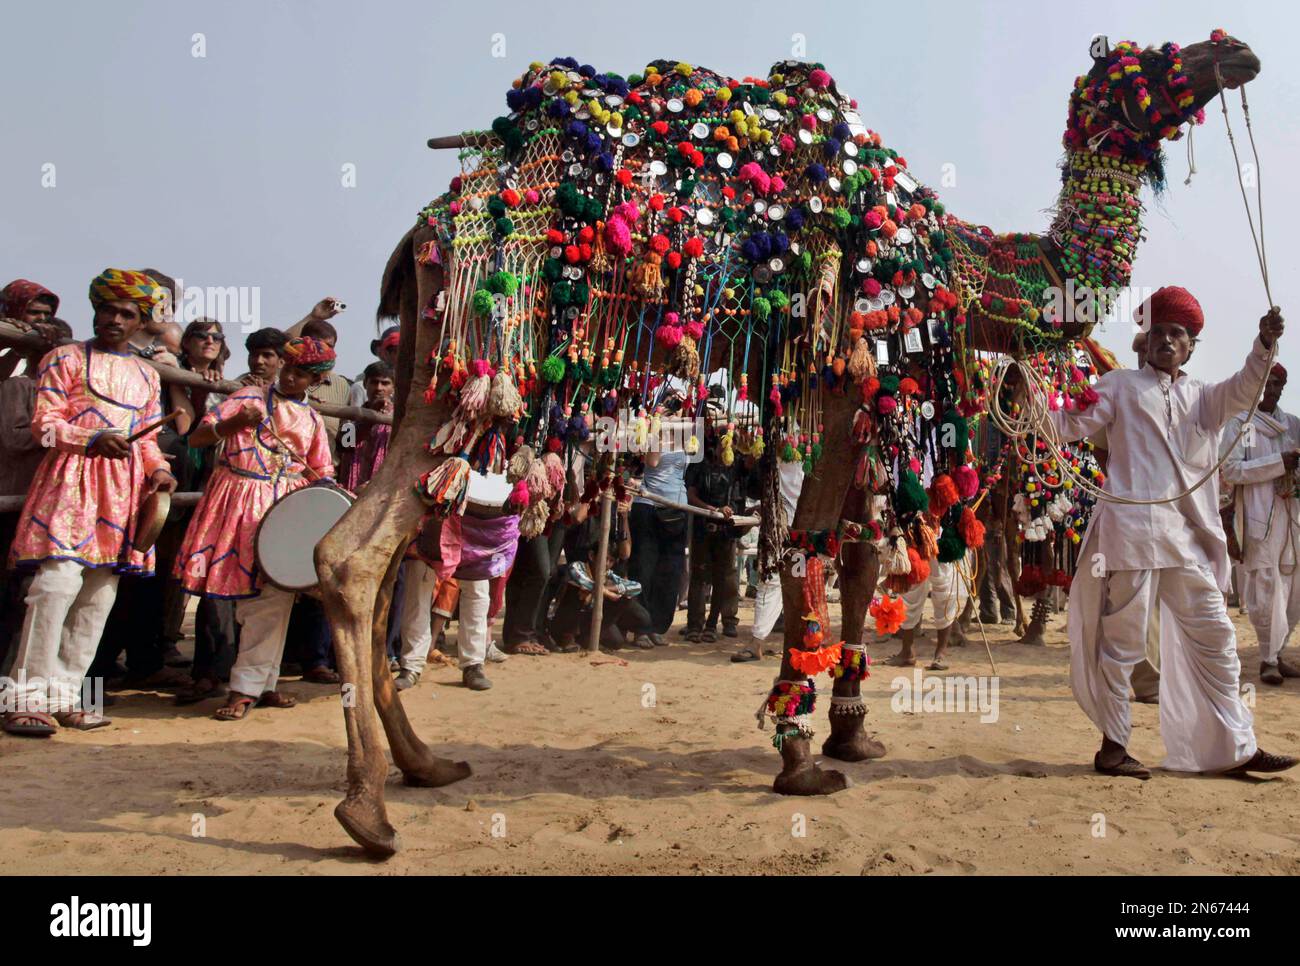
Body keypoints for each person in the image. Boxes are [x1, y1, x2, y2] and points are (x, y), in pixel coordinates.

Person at [1029, 287, 1295, 778]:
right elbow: (1067, 424)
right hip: (1130, 533)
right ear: (1145, 341)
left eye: (1178, 334)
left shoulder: (1205, 397)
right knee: (1123, 644)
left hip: (1187, 538)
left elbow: (1245, 388)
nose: (1167, 340)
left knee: (1217, 636)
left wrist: (1263, 345)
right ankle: (1113, 746)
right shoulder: (1120, 385)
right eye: (1158, 333)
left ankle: (1234, 747)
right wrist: (1026, 393)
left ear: (1191, 345)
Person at [1, 269, 178, 737]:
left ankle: (64, 698)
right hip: (70, 480)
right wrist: (91, 438)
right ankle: (23, 698)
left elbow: (148, 441)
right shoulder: (63, 358)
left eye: (127, 313)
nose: (114, 319)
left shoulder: (146, 374)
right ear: (95, 309)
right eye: (107, 309)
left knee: (98, 595)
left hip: (122, 492)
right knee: (55, 585)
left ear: (141, 320)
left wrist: (158, 470)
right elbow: (45, 424)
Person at [175, 337, 335, 719]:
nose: (292, 377)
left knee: (274, 598)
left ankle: (256, 686)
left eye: (302, 375)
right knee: (242, 599)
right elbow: (195, 438)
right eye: (290, 368)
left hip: (284, 510)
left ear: (316, 381)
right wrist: (233, 424)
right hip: (235, 500)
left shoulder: (312, 419)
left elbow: (323, 470)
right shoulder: (248, 396)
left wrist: (326, 496)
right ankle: (247, 682)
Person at [1221, 363, 1300, 686]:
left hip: (1291, 515)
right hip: (1256, 515)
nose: (1271, 389)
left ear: (1283, 386)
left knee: (1293, 588)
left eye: (1277, 383)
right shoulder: (1240, 424)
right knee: (1264, 587)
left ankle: (1280, 652)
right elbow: (1230, 470)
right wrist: (1276, 464)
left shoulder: (1293, 425)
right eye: (1266, 382)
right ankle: (1267, 659)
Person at [0, 316, 72, 666]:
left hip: (53, 503)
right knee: (13, 592)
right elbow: (14, 439)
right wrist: (65, 434)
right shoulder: (20, 387)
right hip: (17, 499)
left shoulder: (71, 392)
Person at [436, 493, 519, 691]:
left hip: (488, 517)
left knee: (478, 593)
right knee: (421, 586)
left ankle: (473, 665)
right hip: (444, 504)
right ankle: (411, 664)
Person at [734, 453, 803, 662]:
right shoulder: (776, 439)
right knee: (770, 581)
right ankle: (757, 642)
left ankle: (799, 642)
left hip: (803, 525)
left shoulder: (811, 442)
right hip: (778, 523)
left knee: (800, 584)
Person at [629, 426, 691, 644]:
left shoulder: (686, 439)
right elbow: (652, 462)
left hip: (677, 509)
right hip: (649, 507)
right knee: (644, 569)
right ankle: (640, 628)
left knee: (670, 571)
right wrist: (660, 429)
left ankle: (657, 624)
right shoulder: (655, 435)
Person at [684, 430, 745, 642]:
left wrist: (729, 510)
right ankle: (694, 625)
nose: (726, 448)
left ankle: (712, 625)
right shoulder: (702, 465)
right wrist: (711, 508)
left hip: (725, 533)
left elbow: (740, 497)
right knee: (699, 577)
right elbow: (690, 496)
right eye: (723, 444)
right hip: (703, 529)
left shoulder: (736, 468)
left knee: (721, 579)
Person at [337, 361, 393, 492]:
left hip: (381, 489)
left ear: (393, 387)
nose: (379, 388)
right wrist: (370, 416)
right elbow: (344, 446)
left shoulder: (398, 419)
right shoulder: (352, 415)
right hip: (351, 488)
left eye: (385, 383)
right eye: (374, 382)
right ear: (365, 384)